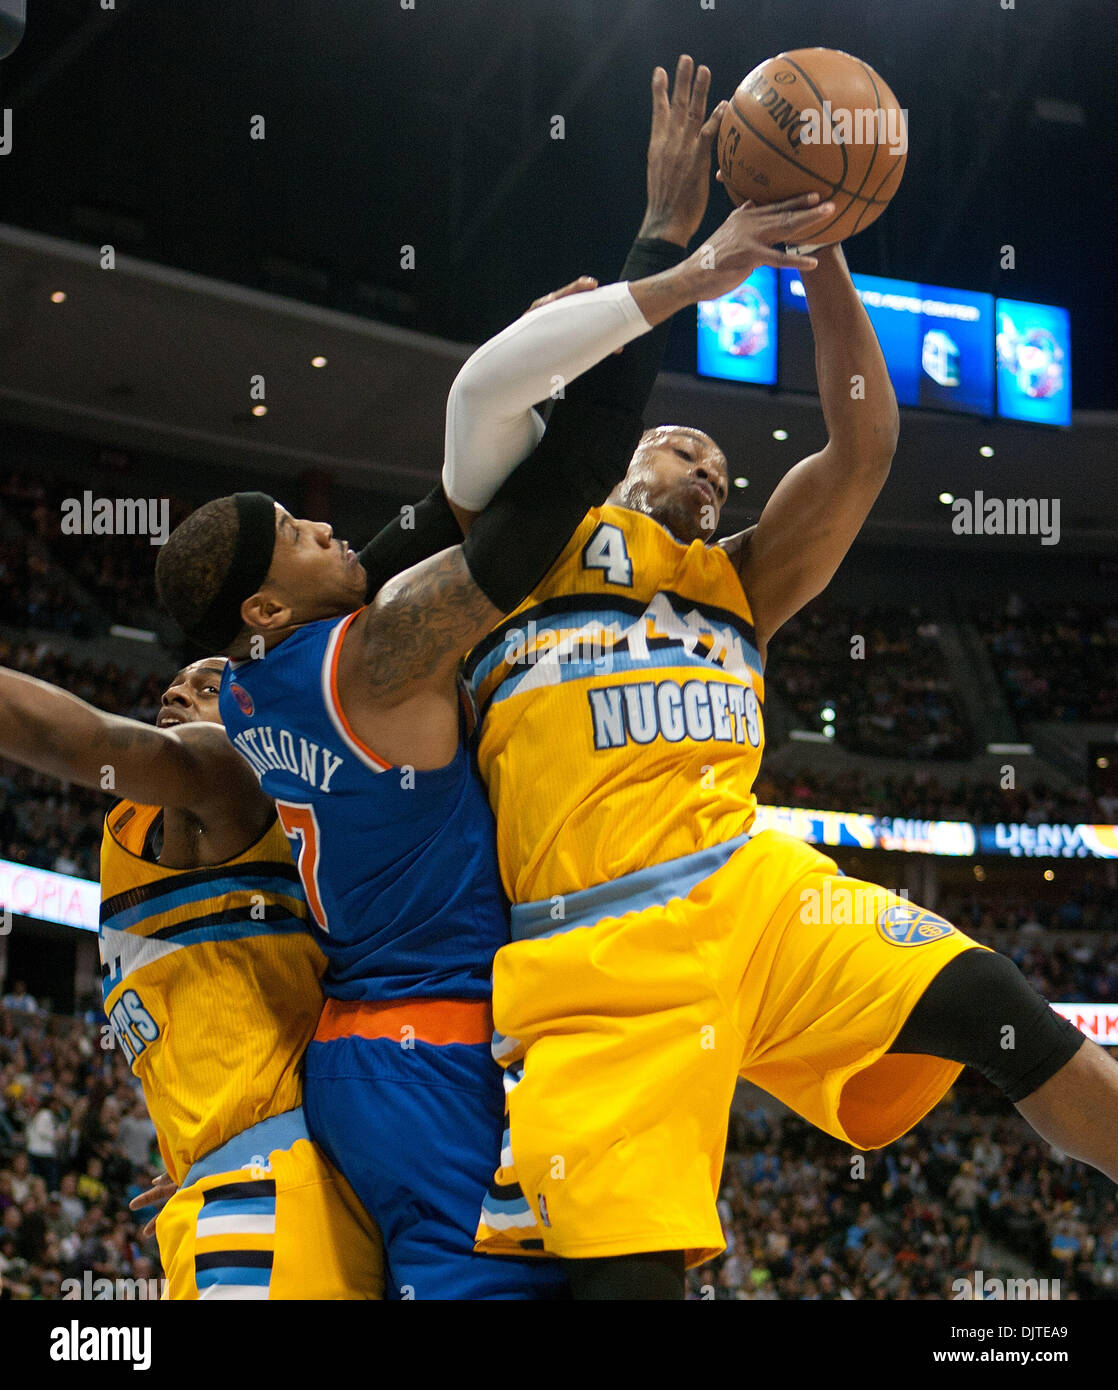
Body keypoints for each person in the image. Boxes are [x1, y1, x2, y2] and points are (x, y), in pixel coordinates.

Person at [153, 57, 837, 1299]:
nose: (334, 536)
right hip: (433, 1045)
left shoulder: (267, 678)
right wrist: (673, 257)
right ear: (263, 605)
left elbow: (466, 472)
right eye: (305, 540)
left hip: (375, 1049)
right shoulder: (377, 645)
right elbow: (540, 500)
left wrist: (578, 331)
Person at [462, 236, 1118, 1299]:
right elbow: (501, 402)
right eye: (686, 448)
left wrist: (822, 260)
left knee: (991, 999)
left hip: (758, 896)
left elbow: (861, 447)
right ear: (624, 458)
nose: (711, 469)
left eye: (723, 470)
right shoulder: (530, 548)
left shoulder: (742, 580)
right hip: (600, 954)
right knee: (627, 1280)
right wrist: (584, 321)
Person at [0, 655, 382, 1299]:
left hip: (271, 1188)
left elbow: (84, 740)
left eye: (209, 689)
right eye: (175, 684)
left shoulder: (228, 771)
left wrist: (251, 1150)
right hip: (237, 1187)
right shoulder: (134, 833)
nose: (179, 690)